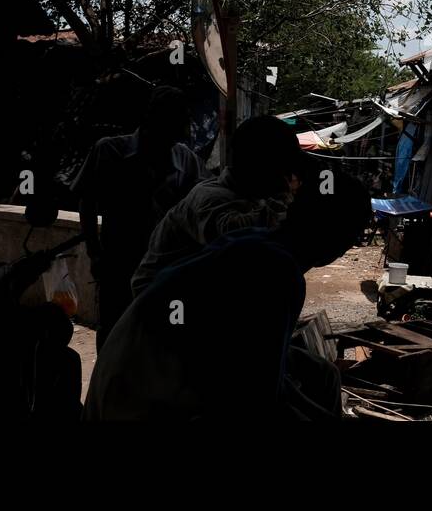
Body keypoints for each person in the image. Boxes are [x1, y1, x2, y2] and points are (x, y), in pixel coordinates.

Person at [82, 170, 370, 421]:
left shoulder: (256, 243)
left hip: (122, 381)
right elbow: (255, 401)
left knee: (318, 372)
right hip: (136, 401)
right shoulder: (277, 269)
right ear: (339, 238)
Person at [72, 86, 205, 350]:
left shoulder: (186, 160)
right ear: (153, 120)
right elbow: (86, 203)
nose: (183, 131)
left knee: (159, 341)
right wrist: (95, 254)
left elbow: (193, 215)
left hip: (165, 270)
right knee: (114, 337)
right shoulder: (109, 152)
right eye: (176, 123)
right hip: (118, 265)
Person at [130, 115, 306, 297]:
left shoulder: (251, 198)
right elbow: (234, 236)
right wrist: (283, 200)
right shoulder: (210, 197)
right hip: (157, 301)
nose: (287, 176)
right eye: (282, 169)